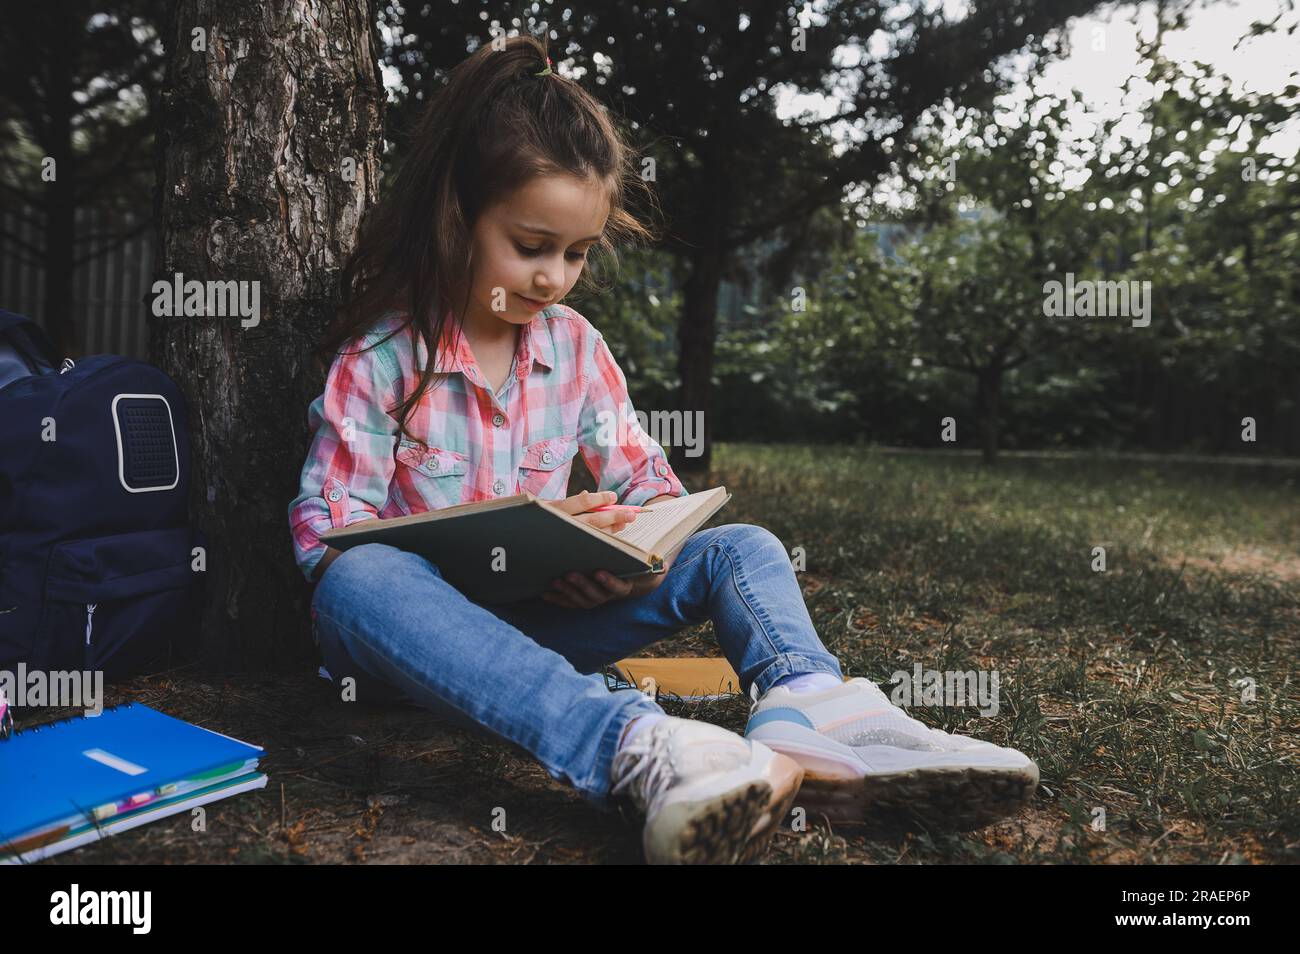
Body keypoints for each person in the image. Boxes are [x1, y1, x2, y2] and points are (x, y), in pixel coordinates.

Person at [287, 36, 1039, 864]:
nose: (553, 278)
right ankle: (638, 749)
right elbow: (327, 536)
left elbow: (652, 486)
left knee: (739, 548)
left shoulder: (572, 348)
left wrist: (627, 552)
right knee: (359, 577)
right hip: (410, 646)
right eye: (531, 246)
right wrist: (489, 543)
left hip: (543, 626)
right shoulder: (383, 358)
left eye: (576, 253)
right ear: (456, 216)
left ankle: (814, 707)